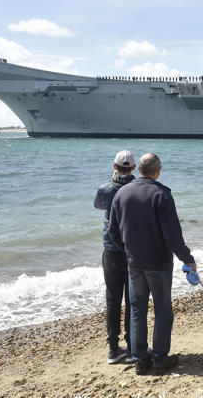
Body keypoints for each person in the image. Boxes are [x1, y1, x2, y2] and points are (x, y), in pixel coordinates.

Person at [109, 153, 196, 375]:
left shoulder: (122, 193)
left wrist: (128, 250)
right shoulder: (161, 194)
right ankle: (158, 358)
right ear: (158, 171)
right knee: (163, 309)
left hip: (134, 262)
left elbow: (113, 232)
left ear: (139, 169)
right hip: (158, 263)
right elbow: (173, 235)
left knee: (137, 310)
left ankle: (140, 360)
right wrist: (187, 258)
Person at [94, 150, 136, 364]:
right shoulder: (137, 187)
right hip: (131, 250)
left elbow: (98, 205)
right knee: (131, 299)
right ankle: (131, 347)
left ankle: (112, 348)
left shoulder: (106, 189)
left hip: (111, 250)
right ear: (134, 168)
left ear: (114, 166)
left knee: (112, 298)